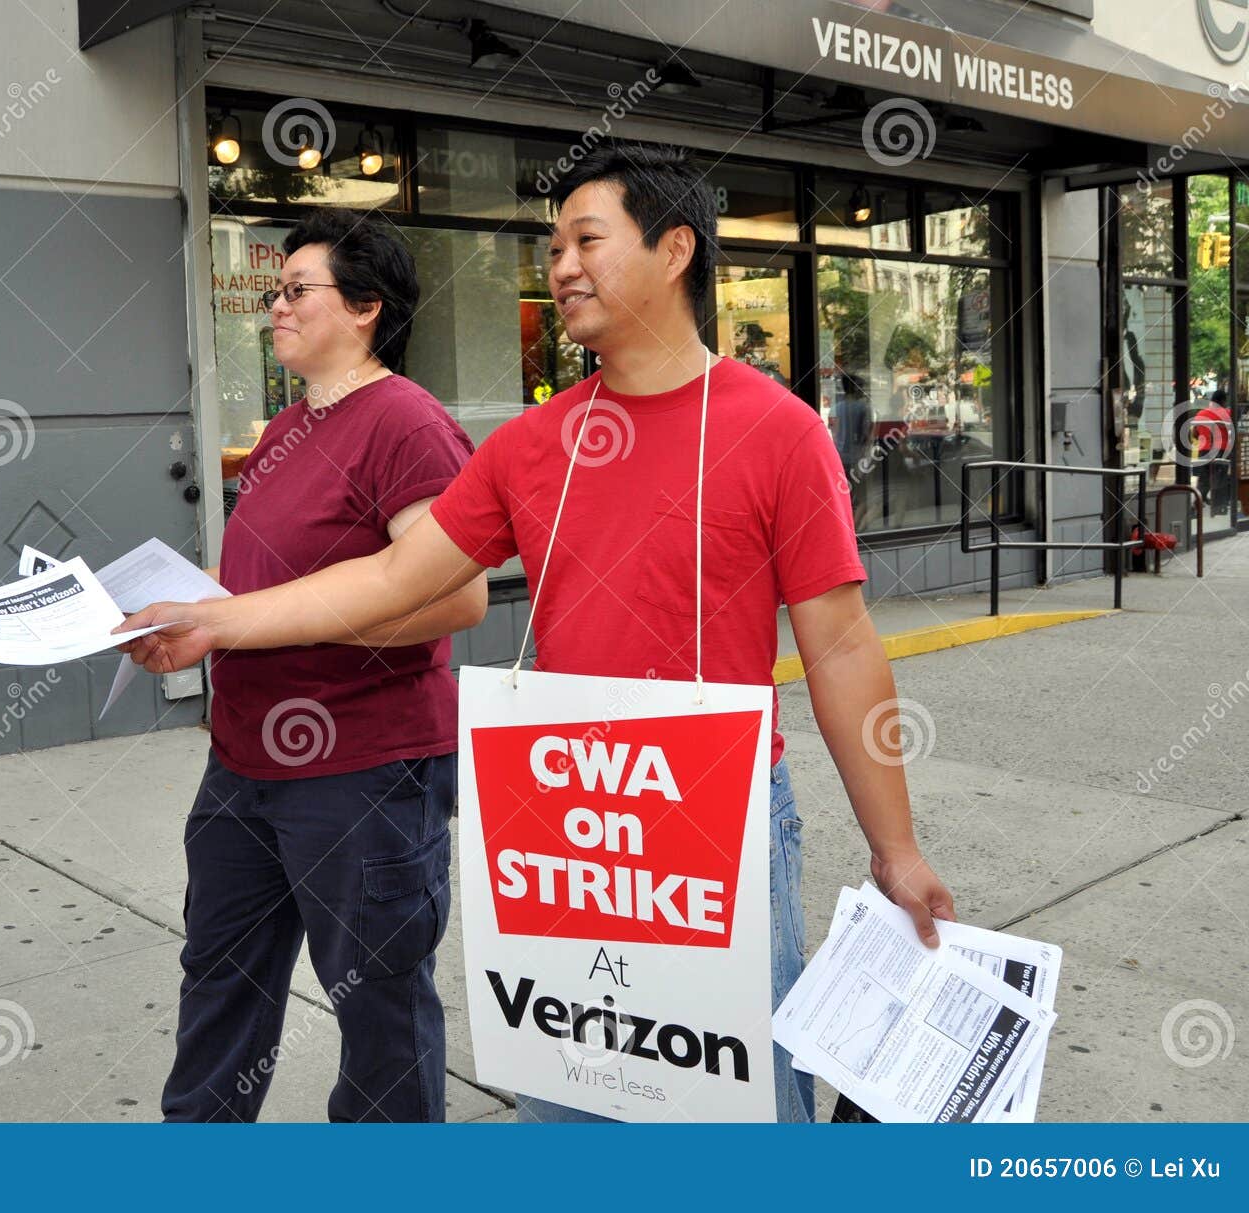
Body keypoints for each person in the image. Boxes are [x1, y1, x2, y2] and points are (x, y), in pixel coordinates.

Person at [123, 143, 955, 1124]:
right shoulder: (531, 442)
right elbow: (396, 575)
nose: (558, 264)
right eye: (552, 244)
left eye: (585, 239)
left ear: (675, 248)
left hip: (713, 820)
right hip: (564, 825)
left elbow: (842, 645)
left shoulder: (777, 432)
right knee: (567, 1109)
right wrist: (216, 620)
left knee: (726, 1115)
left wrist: (894, 844)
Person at [158, 209, 488, 1123]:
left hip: (363, 776)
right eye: (275, 291)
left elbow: (457, 596)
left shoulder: (407, 424)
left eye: (297, 289)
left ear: (367, 308)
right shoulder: (284, 430)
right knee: (219, 983)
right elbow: (254, 583)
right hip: (243, 771)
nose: (276, 306)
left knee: (376, 1007)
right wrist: (191, 615)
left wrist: (257, 626)